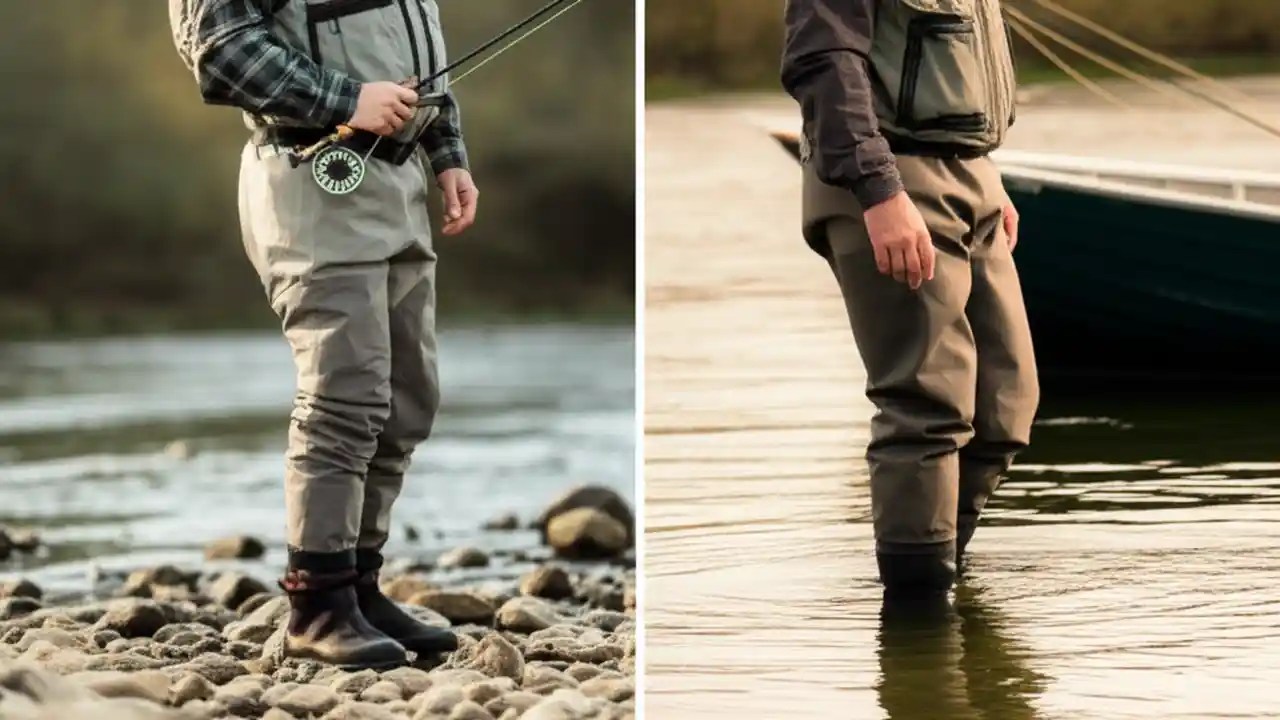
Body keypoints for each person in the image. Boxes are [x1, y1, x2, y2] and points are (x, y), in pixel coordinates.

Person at [170, 0, 479, 668]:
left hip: (397, 184)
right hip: (310, 183)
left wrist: (446, 151)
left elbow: (416, 46)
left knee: (406, 400)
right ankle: (317, 604)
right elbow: (219, 52)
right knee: (345, 394)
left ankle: (361, 589)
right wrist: (345, 99)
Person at [781, 0, 1039, 594]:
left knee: (1007, 404)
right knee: (927, 407)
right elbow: (822, 58)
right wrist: (878, 191)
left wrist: (985, 174)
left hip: (970, 175)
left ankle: (935, 573)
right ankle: (917, 614)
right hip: (890, 178)